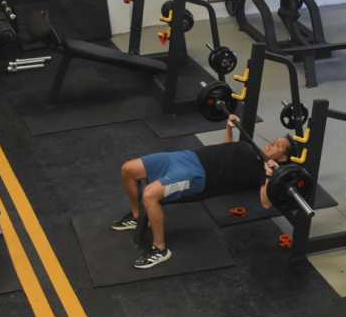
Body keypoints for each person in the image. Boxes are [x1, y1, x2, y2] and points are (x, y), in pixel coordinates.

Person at [113, 114, 292, 269]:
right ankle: (136, 217)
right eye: (274, 141)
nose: (271, 144)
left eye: (277, 145)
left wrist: (271, 176)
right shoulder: (252, 150)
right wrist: (229, 128)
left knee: (150, 195)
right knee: (128, 169)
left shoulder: (263, 173)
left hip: (196, 174)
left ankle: (159, 248)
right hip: (187, 156)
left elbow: (266, 203)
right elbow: (227, 150)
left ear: (283, 157)